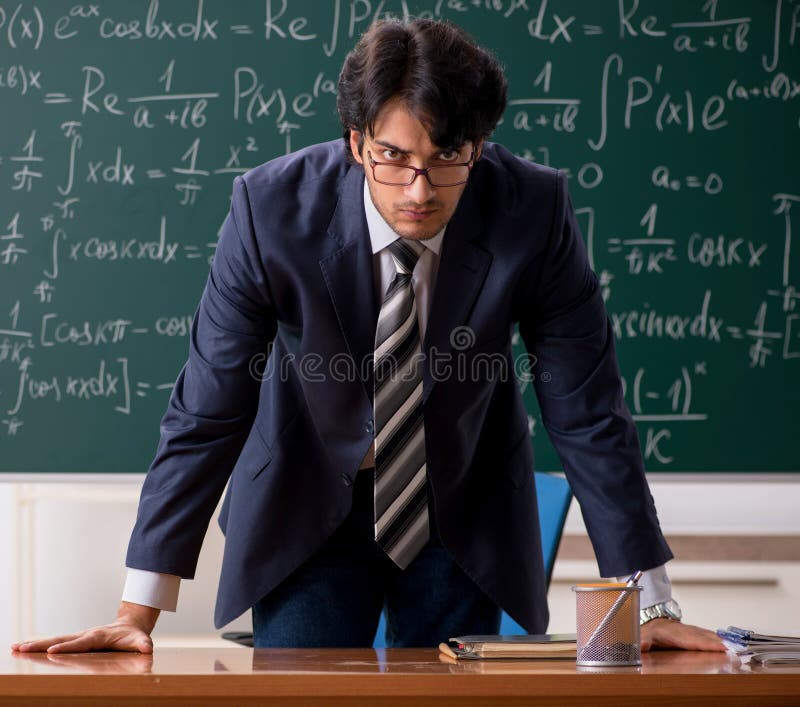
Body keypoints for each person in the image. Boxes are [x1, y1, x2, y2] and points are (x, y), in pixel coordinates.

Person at [12, 18, 723, 654]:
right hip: (306, 505)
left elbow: (585, 404)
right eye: (394, 157)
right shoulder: (270, 210)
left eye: (449, 157)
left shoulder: (531, 209)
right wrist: (138, 609)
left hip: (462, 508)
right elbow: (208, 404)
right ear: (356, 142)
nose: (419, 189)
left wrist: (651, 599)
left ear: (480, 145)